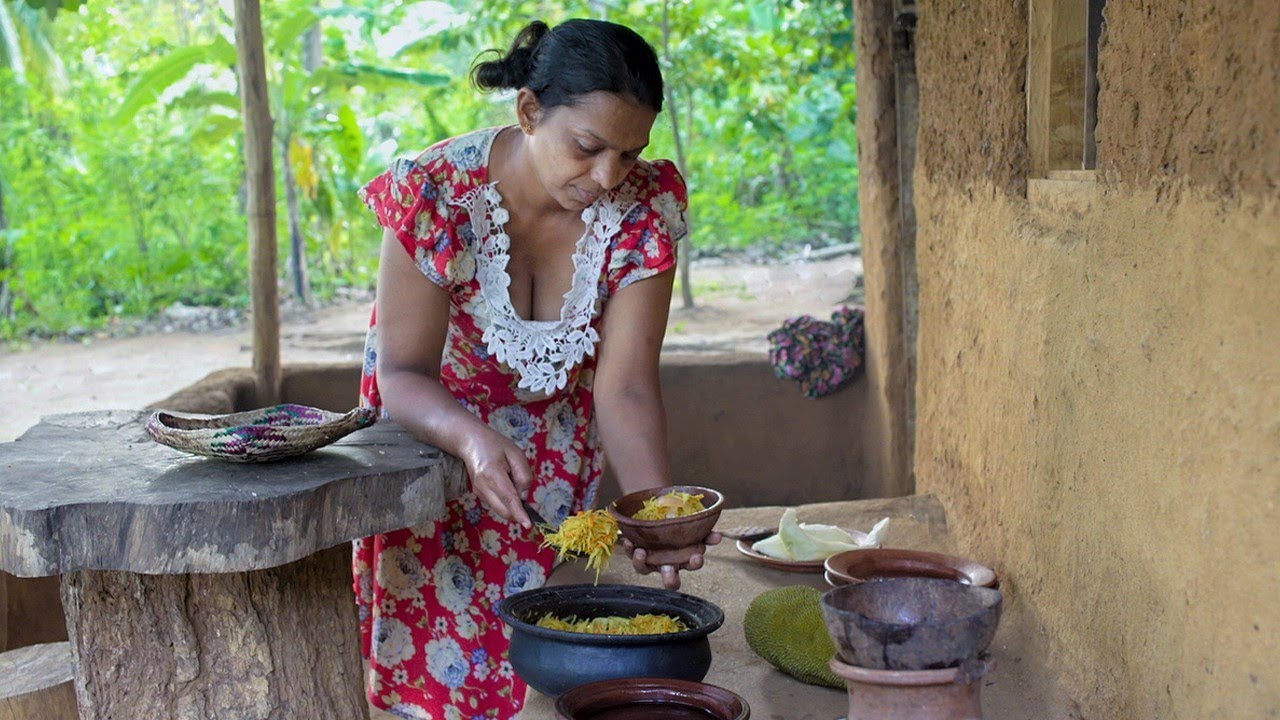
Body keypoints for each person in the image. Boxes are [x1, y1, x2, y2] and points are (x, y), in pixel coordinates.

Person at [351, 18, 720, 720]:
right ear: (528, 111)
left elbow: (628, 385)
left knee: (546, 680)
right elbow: (400, 372)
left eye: (630, 152)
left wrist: (654, 514)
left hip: (550, 482)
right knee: (435, 690)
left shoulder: (642, 207)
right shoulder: (436, 197)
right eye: (588, 147)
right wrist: (472, 442)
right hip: (432, 462)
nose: (608, 175)